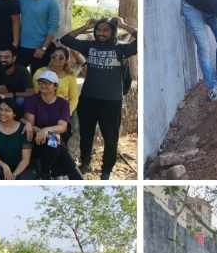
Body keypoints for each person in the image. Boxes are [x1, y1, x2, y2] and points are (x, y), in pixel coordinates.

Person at [60, 17, 138, 179]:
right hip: (88, 100)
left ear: (113, 32)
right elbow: (66, 39)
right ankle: (85, 162)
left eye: (106, 30)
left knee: (111, 138)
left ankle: (106, 170)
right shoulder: (89, 46)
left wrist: (124, 25)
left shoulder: (121, 49)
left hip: (111, 103)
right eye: (98, 30)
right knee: (86, 135)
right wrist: (85, 26)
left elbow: (143, 40)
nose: (101, 33)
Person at [23, 70, 81, 179]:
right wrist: (48, 132)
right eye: (41, 83)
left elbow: (63, 127)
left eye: (47, 83)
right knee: (56, 144)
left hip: (54, 138)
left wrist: (47, 131)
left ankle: (45, 172)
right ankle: (75, 176)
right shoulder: (32, 100)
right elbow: (30, 125)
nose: (42, 85)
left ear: (55, 86)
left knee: (54, 144)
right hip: (36, 138)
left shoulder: (63, 103)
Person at [18, 0, 60, 73]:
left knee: (38, 80)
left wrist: (43, 48)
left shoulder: (51, 2)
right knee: (18, 77)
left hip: (40, 48)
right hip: (22, 47)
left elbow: (53, 27)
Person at [0, 98, 33, 180]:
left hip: (21, 168)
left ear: (14, 114)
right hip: (1, 165)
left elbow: (25, 160)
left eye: (7, 110)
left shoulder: (23, 129)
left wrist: (14, 175)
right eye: (0, 109)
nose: (2, 113)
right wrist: (4, 166)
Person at [31, 46, 79, 118]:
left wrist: (66, 113)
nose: (57, 59)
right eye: (54, 56)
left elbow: (74, 98)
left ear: (66, 60)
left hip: (63, 110)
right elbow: (35, 92)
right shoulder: (40, 72)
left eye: (61, 58)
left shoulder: (70, 76)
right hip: (42, 108)